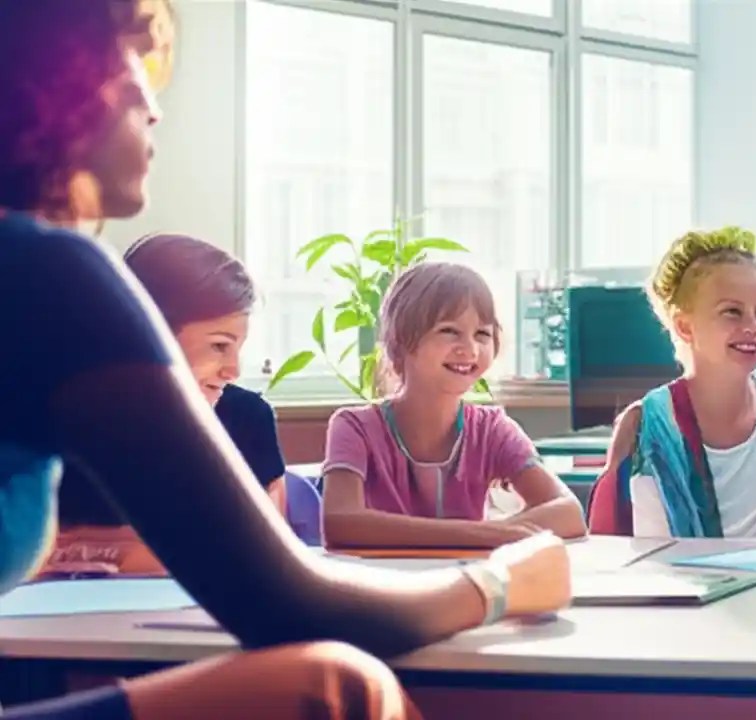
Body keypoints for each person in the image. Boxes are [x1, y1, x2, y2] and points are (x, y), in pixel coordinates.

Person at [0, 1, 570, 716]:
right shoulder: (50, 274)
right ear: (57, 85)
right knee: (336, 684)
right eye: (129, 67)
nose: (154, 106)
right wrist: (501, 581)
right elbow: (290, 607)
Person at [44, 233, 289, 577]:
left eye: (238, 348)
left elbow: (264, 553)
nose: (234, 370)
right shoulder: (66, 420)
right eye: (220, 346)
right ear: (150, 333)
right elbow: (33, 550)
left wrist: (103, 547)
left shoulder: (246, 419)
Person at [601, 227, 756, 538]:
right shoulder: (646, 423)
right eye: (732, 312)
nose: (753, 326)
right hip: (675, 583)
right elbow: (607, 542)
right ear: (685, 327)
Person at [322, 262, 586, 548]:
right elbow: (340, 522)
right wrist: (481, 534)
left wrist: (498, 532)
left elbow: (569, 513)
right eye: (449, 331)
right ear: (400, 341)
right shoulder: (354, 427)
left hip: (467, 587)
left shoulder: (492, 429)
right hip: (381, 588)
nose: (470, 349)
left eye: (482, 334)